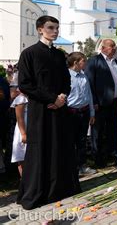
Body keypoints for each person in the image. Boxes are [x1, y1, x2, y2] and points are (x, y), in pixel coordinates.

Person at [17, 15, 80, 210]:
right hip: (41, 111)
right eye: (51, 28)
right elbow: (25, 85)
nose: (55, 31)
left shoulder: (60, 55)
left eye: (57, 28)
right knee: (41, 149)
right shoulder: (29, 53)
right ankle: (37, 192)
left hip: (60, 110)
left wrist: (62, 98)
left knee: (60, 147)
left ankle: (60, 188)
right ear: (39, 29)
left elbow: (66, 81)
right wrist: (51, 99)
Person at [85, 39, 117, 167]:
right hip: (100, 103)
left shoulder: (116, 62)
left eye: (114, 46)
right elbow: (89, 82)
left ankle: (112, 154)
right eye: (111, 46)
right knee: (98, 131)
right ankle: (98, 159)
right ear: (103, 48)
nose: (114, 48)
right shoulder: (94, 61)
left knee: (113, 129)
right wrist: (93, 101)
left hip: (116, 102)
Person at [67, 52, 96, 176]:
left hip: (83, 112)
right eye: (83, 61)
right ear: (76, 63)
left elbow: (88, 95)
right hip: (71, 113)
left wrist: (92, 113)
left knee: (82, 140)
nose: (85, 63)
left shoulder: (84, 76)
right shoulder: (66, 76)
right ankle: (71, 167)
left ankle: (82, 165)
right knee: (71, 141)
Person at [11, 89, 28, 176]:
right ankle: (24, 181)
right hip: (23, 129)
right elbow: (19, 117)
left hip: (33, 128)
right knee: (22, 156)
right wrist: (23, 134)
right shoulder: (21, 99)